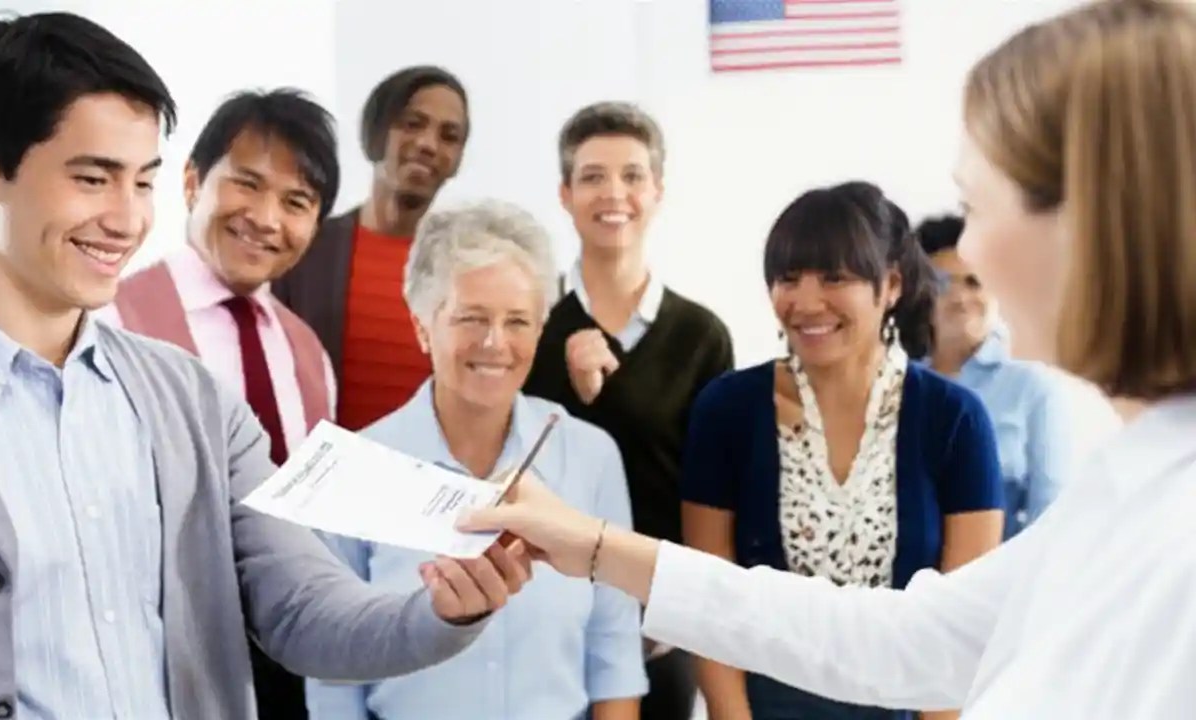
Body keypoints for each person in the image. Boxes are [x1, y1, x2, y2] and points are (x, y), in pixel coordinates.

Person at [458, 1, 1196, 717]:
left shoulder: (1165, 526)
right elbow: (901, 637)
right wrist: (592, 545)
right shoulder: (1122, 490)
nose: (965, 253)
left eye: (978, 205)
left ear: (1095, 215)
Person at [0, 14, 532, 720]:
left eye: (141, 182)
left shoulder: (194, 401)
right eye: (93, 178)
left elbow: (302, 605)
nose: (125, 219)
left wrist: (443, 611)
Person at [305, 199, 648, 720]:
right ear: (422, 327)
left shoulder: (591, 458)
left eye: (517, 322)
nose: (495, 344)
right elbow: (333, 673)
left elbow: (614, 652)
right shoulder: (358, 470)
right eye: (471, 318)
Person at [679, 182, 1003, 720]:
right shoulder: (727, 410)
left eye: (835, 277)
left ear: (892, 284)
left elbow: (963, 629)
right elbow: (709, 601)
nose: (806, 302)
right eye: (788, 278)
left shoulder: (956, 420)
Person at [97, 88, 341, 720]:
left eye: (296, 202)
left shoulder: (308, 353)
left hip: (288, 668)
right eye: (247, 185)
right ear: (191, 182)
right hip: (149, 662)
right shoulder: (109, 318)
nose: (265, 218)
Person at [522, 101, 733, 720]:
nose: (614, 192)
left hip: (658, 625)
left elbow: (711, 492)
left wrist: (682, 608)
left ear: (658, 191)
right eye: (592, 176)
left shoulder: (701, 335)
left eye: (632, 175)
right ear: (565, 193)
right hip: (544, 617)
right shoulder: (529, 326)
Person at [272, 66, 468, 431]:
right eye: (412, 123)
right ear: (374, 134)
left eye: (449, 136)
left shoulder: (465, 269)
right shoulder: (306, 249)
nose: (428, 144)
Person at [917, 214, 1116, 539]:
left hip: (1000, 578)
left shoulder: (1030, 384)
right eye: (941, 283)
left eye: (973, 281)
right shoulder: (898, 378)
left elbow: (1050, 512)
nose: (958, 297)